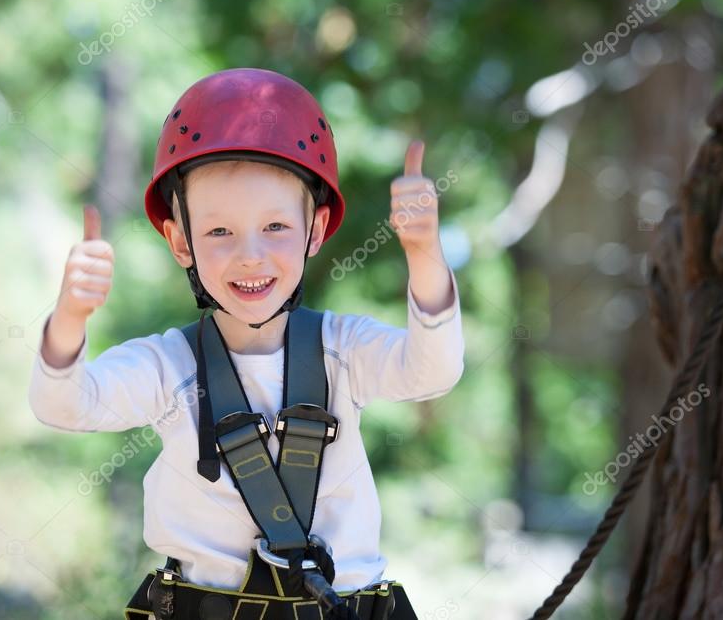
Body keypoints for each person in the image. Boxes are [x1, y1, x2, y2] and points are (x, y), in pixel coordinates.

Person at [27, 68, 464, 619]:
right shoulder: (167, 368)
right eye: (219, 232)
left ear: (315, 229)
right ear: (180, 241)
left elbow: (432, 371)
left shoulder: (344, 351)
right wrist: (70, 318)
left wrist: (424, 256)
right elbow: (64, 405)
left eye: (276, 227)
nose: (250, 256)